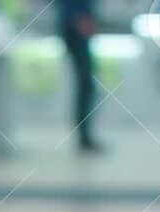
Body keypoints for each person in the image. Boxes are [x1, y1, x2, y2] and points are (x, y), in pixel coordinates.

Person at [58, 0, 105, 154]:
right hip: (75, 25)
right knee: (86, 85)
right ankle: (84, 138)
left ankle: (84, 137)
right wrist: (81, 18)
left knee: (86, 85)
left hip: (75, 23)